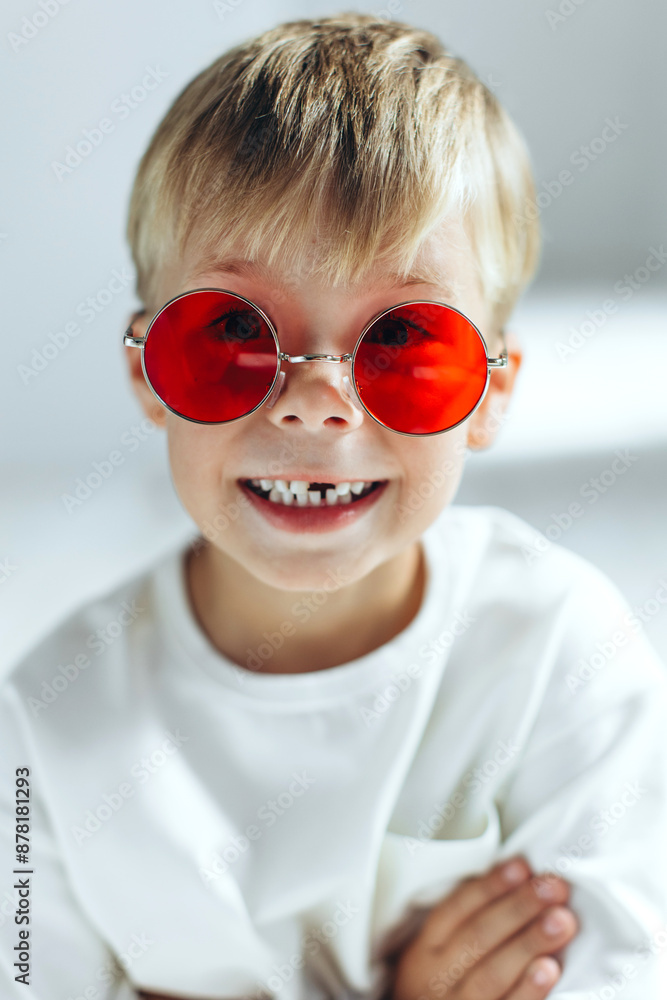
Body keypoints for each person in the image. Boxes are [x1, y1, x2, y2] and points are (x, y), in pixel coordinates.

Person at [1, 12, 666, 1000]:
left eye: (401, 342)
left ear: (493, 394)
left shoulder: (566, 655)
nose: (317, 402)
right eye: (231, 330)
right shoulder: (43, 735)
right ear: (145, 373)